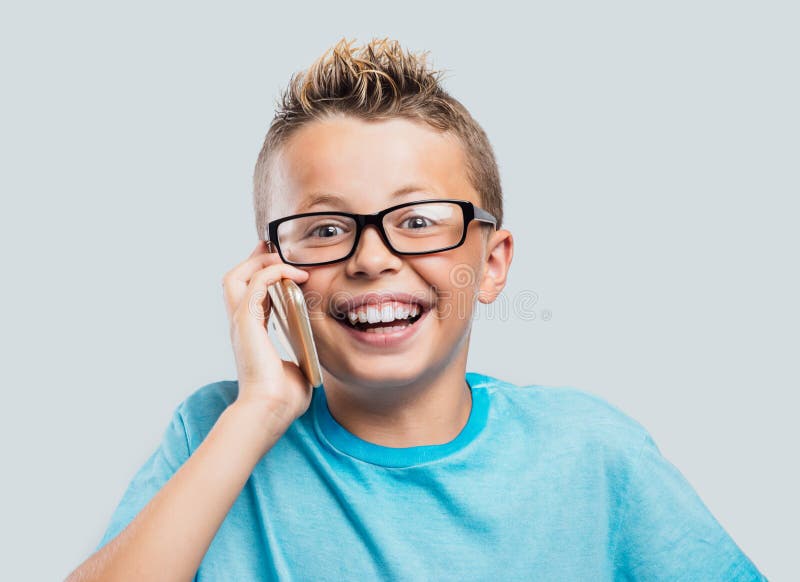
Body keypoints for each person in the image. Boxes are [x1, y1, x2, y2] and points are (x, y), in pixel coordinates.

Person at [66, 37, 766, 581]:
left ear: (491, 264)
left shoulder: (593, 454)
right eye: (325, 229)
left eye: (421, 221)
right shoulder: (213, 437)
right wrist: (257, 414)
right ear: (271, 276)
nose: (371, 258)